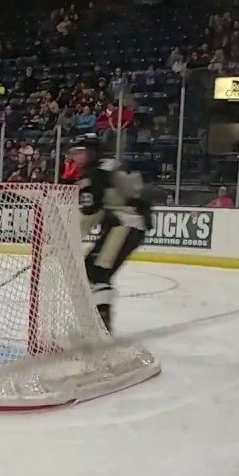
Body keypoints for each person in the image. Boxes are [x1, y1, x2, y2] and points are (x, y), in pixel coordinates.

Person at [69, 135, 152, 331]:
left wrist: (69, 237)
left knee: (96, 273)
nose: (77, 157)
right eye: (75, 152)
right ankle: (100, 323)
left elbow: (91, 211)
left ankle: (102, 326)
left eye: (81, 152)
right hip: (128, 225)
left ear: (92, 152)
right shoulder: (109, 166)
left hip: (124, 225)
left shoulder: (96, 172)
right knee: (95, 271)